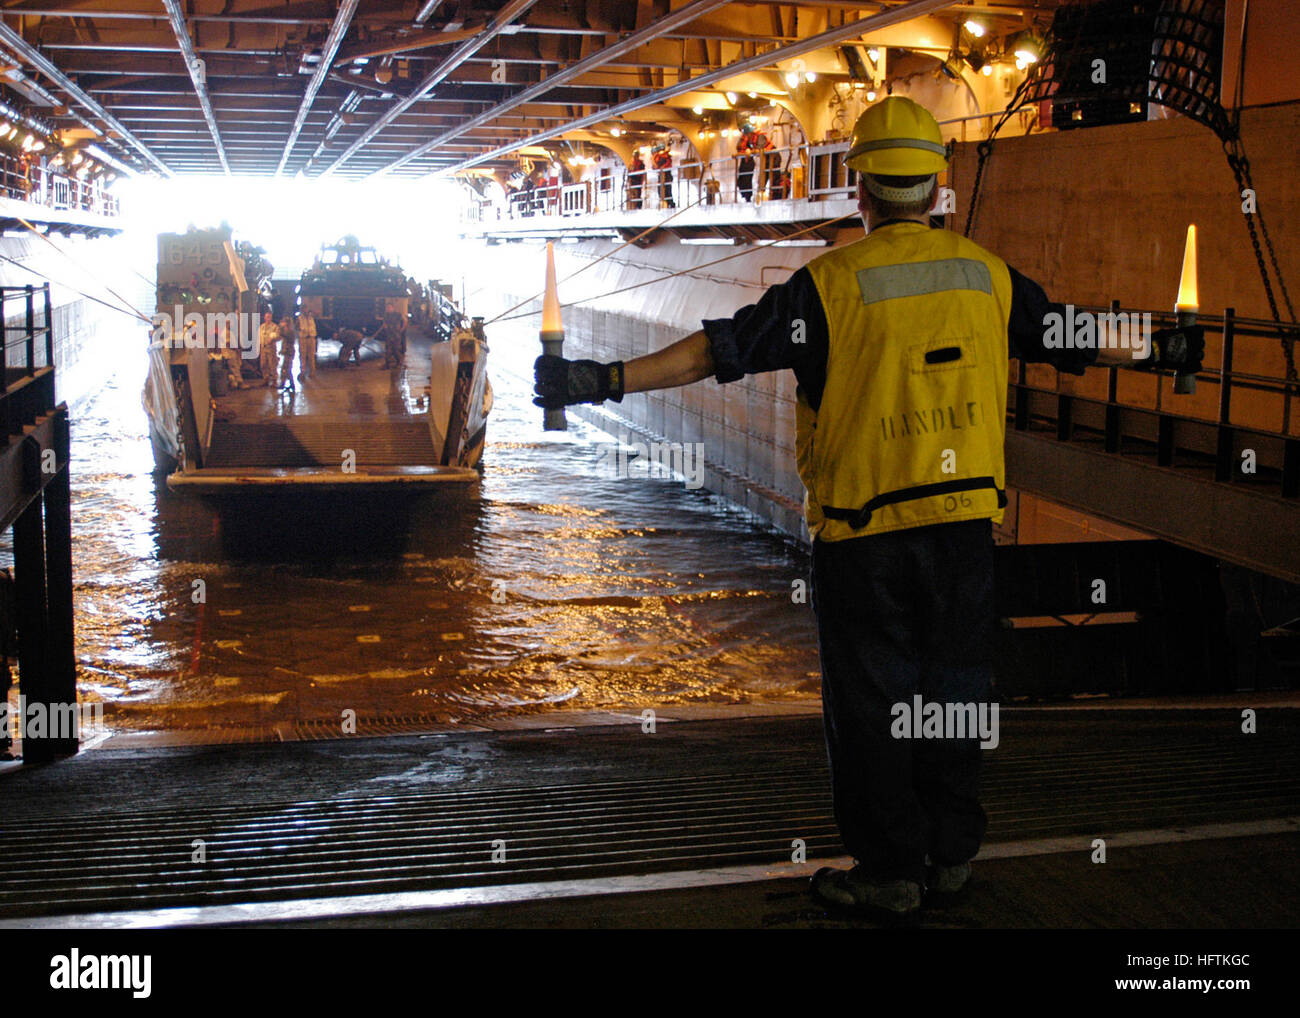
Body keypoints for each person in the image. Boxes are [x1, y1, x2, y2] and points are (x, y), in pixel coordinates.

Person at [533, 96, 1205, 923]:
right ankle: (952, 854)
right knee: (955, 691)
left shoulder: (828, 287)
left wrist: (602, 380)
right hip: (964, 532)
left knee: (874, 707)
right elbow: (1070, 334)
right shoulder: (985, 276)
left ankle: (890, 870)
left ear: (861, 191)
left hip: (867, 538)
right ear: (937, 185)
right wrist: (1161, 344)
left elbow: (720, 350)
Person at [736, 121, 773, 202]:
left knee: (772, 177)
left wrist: (751, 151)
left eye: (747, 134)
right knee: (762, 177)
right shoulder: (751, 139)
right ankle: (751, 196)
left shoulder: (760, 136)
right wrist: (748, 150)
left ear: (750, 133)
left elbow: (760, 148)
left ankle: (775, 196)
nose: (746, 136)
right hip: (766, 158)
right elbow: (740, 147)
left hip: (772, 157)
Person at [257, 311, 279, 386]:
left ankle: (274, 380)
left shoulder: (274, 327)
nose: (268, 319)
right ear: (264, 317)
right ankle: (265, 379)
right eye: (267, 317)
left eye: (269, 317)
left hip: (271, 348)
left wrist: (273, 339)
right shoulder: (262, 327)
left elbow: (278, 336)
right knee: (263, 364)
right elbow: (259, 336)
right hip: (263, 348)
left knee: (272, 364)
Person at [278, 315, 297, 392]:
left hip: (289, 352)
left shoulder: (289, 331)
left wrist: (280, 329)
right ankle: (291, 384)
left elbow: (286, 337)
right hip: (287, 352)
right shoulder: (287, 330)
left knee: (285, 368)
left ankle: (283, 384)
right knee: (287, 369)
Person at [652, 144, 674, 208]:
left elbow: (656, 166)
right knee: (665, 191)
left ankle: (669, 203)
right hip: (664, 176)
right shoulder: (665, 156)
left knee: (666, 191)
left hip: (665, 176)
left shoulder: (662, 157)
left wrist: (653, 158)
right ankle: (669, 203)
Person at [297, 308, 317, 380]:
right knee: (303, 356)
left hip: (311, 337)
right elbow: (296, 327)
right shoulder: (299, 318)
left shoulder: (311, 317)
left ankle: (312, 372)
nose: (305, 311)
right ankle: (303, 372)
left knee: (311, 356)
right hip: (303, 338)